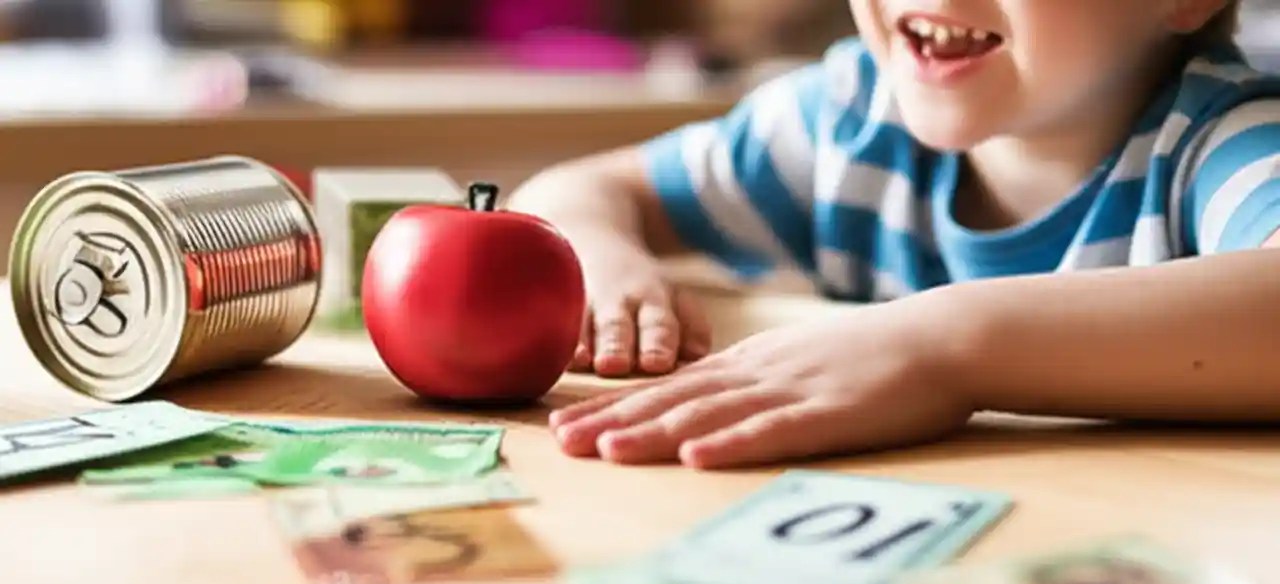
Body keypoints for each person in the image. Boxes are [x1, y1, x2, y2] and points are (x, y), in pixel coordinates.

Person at [508, 0, 1280, 469]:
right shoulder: (847, 119)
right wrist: (603, 255)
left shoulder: (1226, 137)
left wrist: (944, 348)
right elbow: (576, 188)